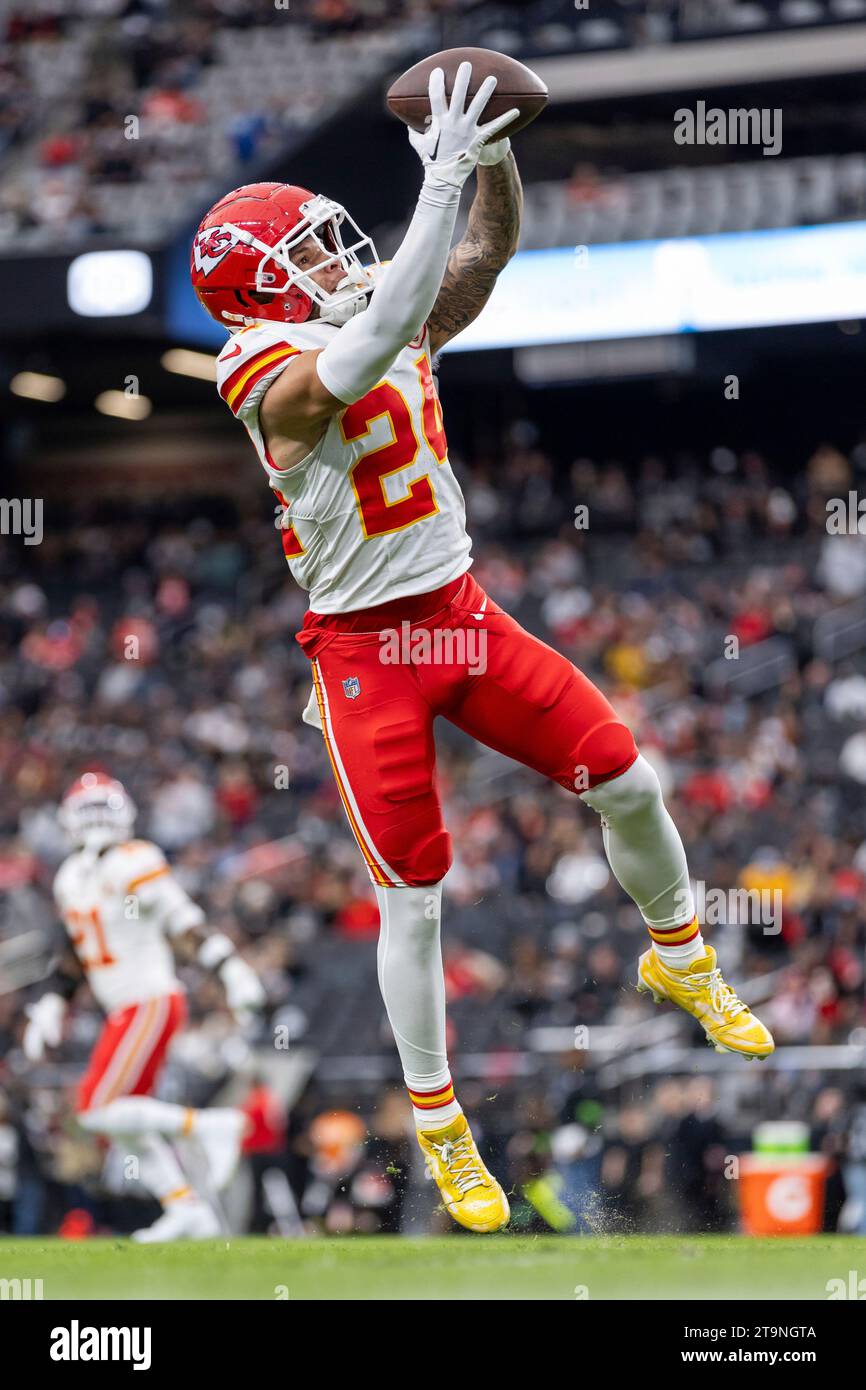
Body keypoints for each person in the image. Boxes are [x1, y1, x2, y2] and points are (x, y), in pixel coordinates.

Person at [191, 62, 774, 1235]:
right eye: (303, 250)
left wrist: (492, 161)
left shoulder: (374, 305)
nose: (331, 256)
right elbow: (371, 345)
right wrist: (437, 182)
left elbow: (479, 262)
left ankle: (680, 955)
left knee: (630, 778)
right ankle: (439, 1123)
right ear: (257, 290)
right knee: (413, 902)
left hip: (459, 614)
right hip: (366, 656)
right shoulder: (257, 368)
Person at [23, 771, 265, 1241]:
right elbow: (75, 952)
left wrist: (231, 969)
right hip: (126, 1009)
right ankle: (185, 1208)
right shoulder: (71, 877)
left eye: (100, 811)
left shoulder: (136, 859)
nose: (94, 822)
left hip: (149, 1000)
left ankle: (212, 1127)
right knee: (124, 1118)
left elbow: (183, 920)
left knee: (94, 1110)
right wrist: (52, 1002)